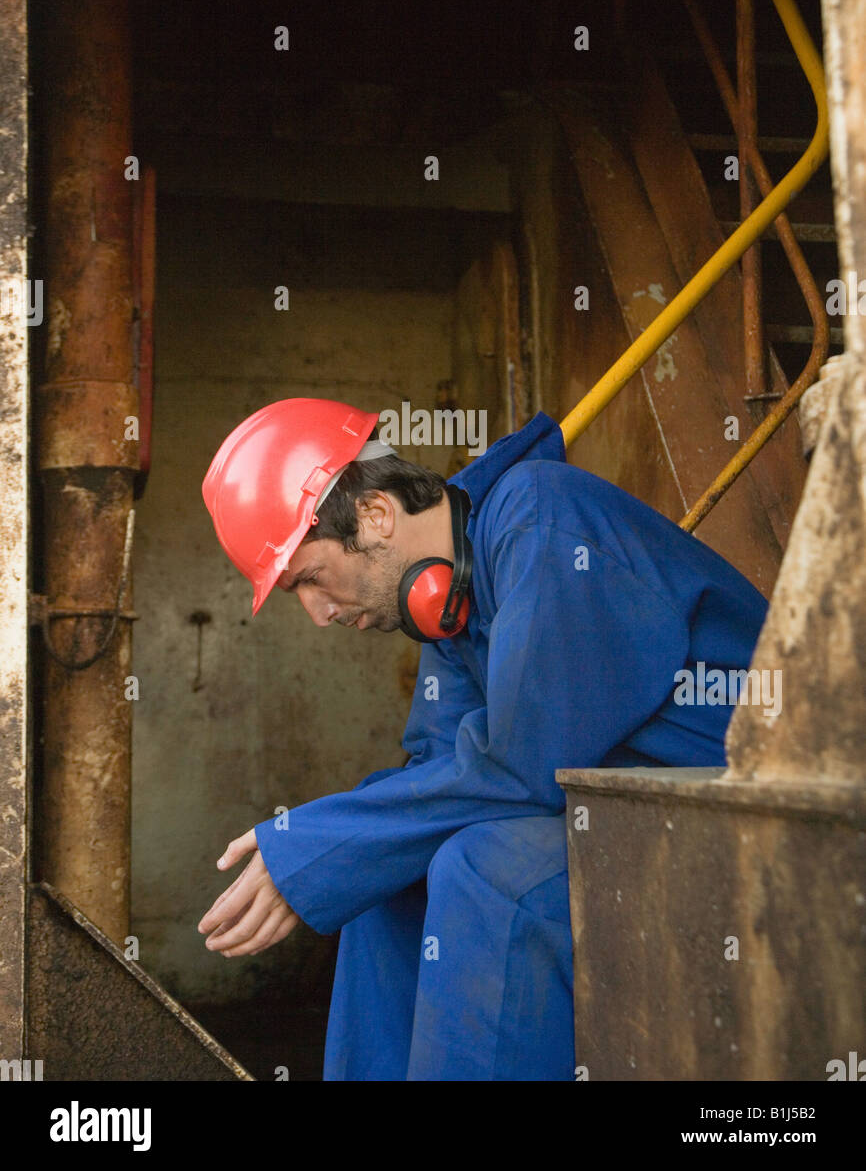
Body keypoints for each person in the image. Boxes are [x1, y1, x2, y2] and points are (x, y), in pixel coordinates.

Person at [197, 398, 767, 1081]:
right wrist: (328, 855)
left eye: (310, 579)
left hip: (743, 802)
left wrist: (318, 846)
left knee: (484, 868)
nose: (318, 614)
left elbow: (527, 762)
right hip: (627, 808)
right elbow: (436, 769)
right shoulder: (449, 606)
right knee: (382, 885)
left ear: (375, 516)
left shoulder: (544, 519)